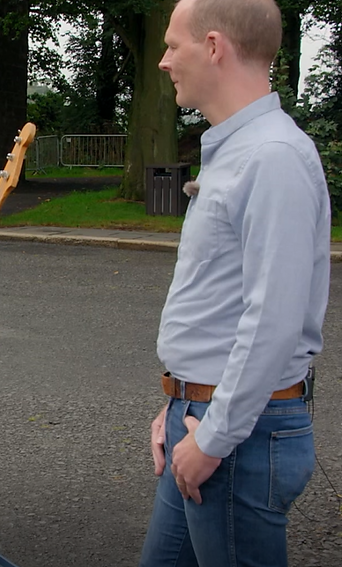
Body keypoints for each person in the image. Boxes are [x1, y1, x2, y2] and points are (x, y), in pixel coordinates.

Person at [140, 1, 330, 565]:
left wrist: (213, 437)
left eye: (174, 45)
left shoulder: (272, 157)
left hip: (237, 438)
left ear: (215, 47)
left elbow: (272, 320)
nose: (164, 61)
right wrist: (177, 399)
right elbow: (219, 304)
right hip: (205, 418)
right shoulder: (238, 151)